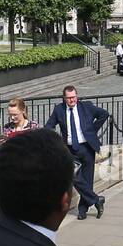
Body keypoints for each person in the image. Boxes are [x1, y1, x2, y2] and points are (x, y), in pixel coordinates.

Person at [45, 86, 109, 221]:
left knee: (87, 179)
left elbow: (104, 114)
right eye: (68, 98)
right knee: (72, 176)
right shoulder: (59, 110)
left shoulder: (86, 107)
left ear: (77, 96)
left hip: (87, 147)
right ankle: (97, 200)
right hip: (69, 150)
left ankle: (82, 210)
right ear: (64, 98)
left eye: (73, 97)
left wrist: (91, 130)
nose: (71, 100)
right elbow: (49, 126)